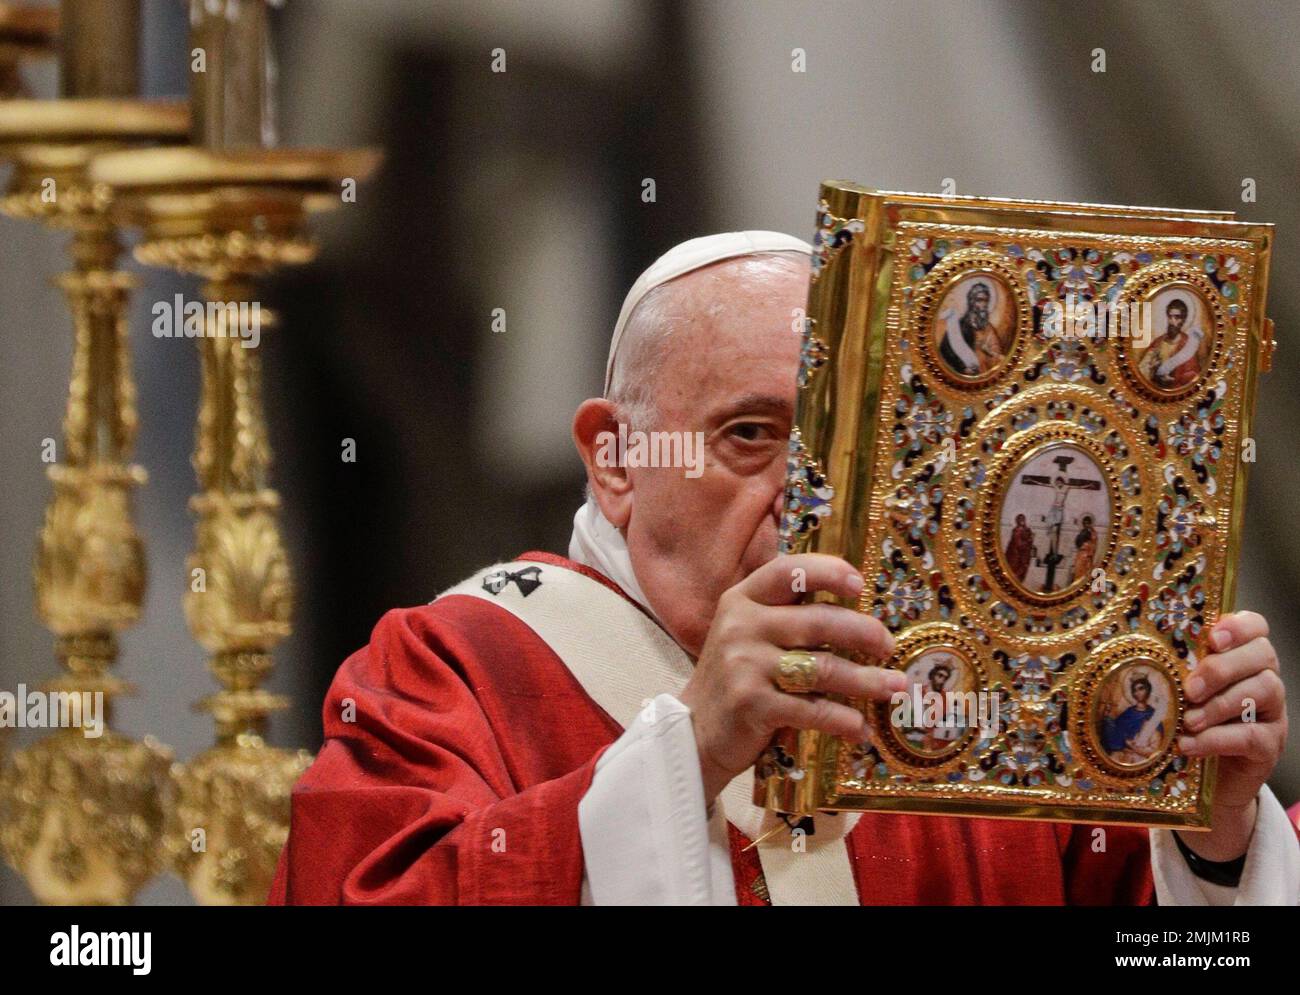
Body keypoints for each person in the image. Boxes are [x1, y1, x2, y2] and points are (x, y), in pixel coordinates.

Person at [269, 232, 1297, 906]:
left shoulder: (965, 694)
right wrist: (692, 753)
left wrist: (1212, 842)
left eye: (858, 441)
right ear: (617, 456)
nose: (814, 495)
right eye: (753, 433)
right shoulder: (461, 665)